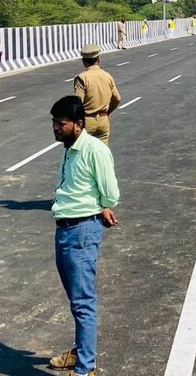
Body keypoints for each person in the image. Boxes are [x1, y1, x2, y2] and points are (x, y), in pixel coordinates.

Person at [48, 95, 120, 376]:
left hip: (81, 231)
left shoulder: (94, 150)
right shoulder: (69, 147)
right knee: (76, 300)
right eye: (54, 122)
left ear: (78, 125)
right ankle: (81, 351)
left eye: (61, 123)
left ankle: (85, 369)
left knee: (83, 302)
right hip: (65, 230)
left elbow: (110, 192)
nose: (55, 127)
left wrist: (103, 206)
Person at [73, 44, 122, 145]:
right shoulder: (107, 76)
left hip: (87, 121)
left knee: (82, 153)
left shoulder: (82, 78)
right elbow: (117, 98)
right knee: (102, 153)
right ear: (98, 59)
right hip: (103, 120)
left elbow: (78, 104)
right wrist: (107, 112)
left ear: (84, 62)